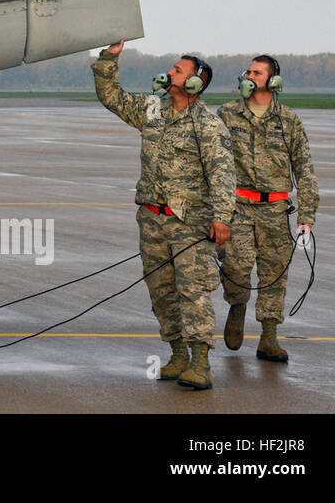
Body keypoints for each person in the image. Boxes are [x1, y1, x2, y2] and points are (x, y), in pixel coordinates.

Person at [92, 41, 236, 390]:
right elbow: (113, 98)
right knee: (161, 290)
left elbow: (222, 173)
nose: (170, 73)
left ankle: (200, 361)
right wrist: (109, 59)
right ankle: (176, 354)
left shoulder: (208, 125)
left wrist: (222, 217)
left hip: (191, 223)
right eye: (172, 68)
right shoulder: (153, 110)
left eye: (178, 70)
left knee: (194, 290)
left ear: (194, 83)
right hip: (152, 218)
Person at [218, 55, 319, 362]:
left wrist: (307, 217)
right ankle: (237, 305)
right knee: (235, 266)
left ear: (272, 81)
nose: (249, 76)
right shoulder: (227, 114)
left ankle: (269, 338)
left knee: (274, 275)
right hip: (239, 205)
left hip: (275, 209)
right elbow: (213, 162)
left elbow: (305, 170)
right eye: (248, 71)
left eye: (256, 72)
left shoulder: (289, 120)